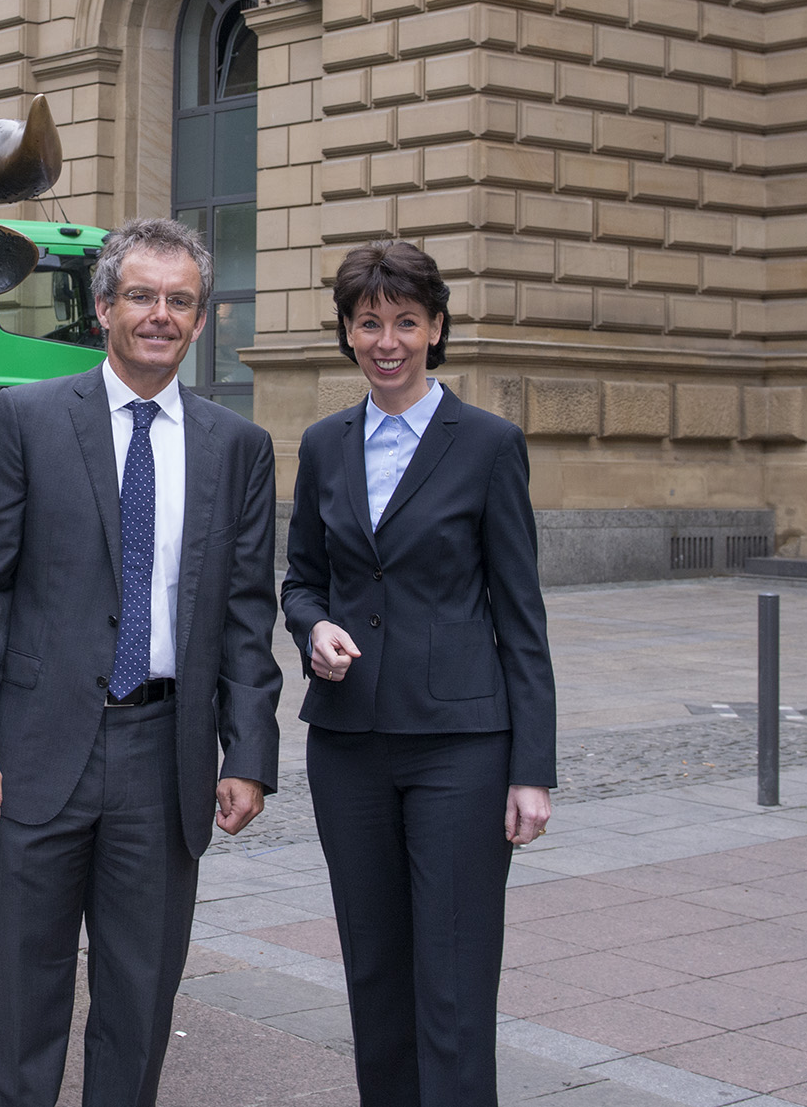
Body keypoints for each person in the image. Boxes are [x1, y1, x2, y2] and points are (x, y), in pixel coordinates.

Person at [0, 215, 281, 1107]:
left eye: (180, 300)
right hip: (30, 756)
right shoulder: (27, 420)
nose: (160, 314)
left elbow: (247, 613)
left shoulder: (238, 448)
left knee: (138, 1005)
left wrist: (248, 751)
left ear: (199, 320)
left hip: (163, 762)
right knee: (20, 1008)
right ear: (102, 308)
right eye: (141, 296)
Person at [281, 240, 556, 1107]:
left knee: (454, 979)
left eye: (406, 321)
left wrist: (531, 769)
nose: (387, 340)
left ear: (436, 328)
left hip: (460, 748)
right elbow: (300, 579)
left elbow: (521, 615)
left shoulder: (489, 444)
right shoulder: (324, 444)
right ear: (347, 333)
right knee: (375, 972)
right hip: (349, 745)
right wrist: (314, 627)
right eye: (369, 322)